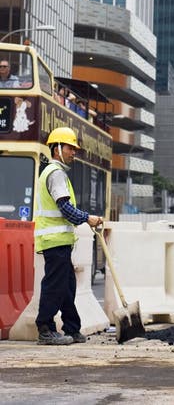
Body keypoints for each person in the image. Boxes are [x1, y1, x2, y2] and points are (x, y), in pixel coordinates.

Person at [34, 126, 104, 345]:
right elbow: (65, 208)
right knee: (55, 285)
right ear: (57, 149)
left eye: (74, 149)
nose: (74, 152)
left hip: (60, 241)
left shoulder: (56, 172)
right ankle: (45, 329)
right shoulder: (55, 173)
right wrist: (87, 218)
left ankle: (72, 328)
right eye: (70, 148)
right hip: (54, 241)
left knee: (67, 286)